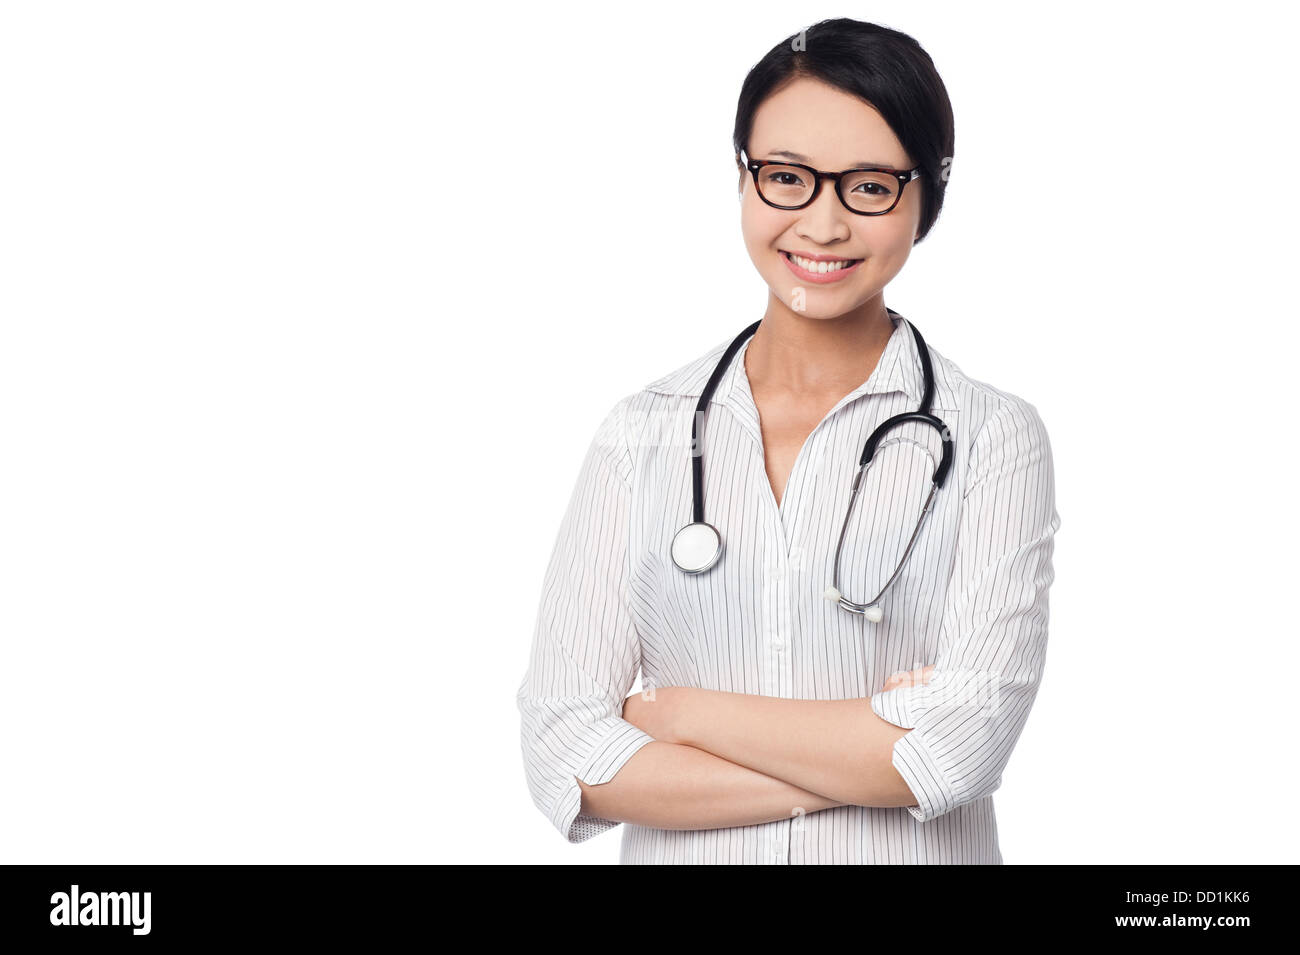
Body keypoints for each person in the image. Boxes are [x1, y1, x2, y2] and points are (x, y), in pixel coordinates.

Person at [516, 17, 1061, 864]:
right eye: (787, 178)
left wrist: (684, 716)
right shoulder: (643, 433)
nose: (823, 222)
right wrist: (871, 759)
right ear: (743, 176)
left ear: (927, 195)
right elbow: (565, 753)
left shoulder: (992, 438)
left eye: (870, 186)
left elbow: (962, 747)